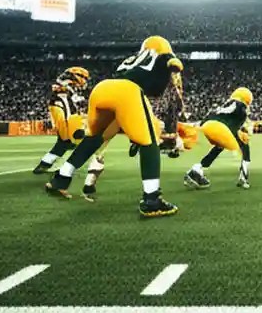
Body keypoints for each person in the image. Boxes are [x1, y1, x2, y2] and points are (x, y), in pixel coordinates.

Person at [44, 36, 183, 217]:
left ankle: (60, 179)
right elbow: (175, 64)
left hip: (103, 90)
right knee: (150, 142)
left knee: (94, 138)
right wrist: (174, 67)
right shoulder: (163, 55)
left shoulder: (133, 59)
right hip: (127, 92)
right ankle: (152, 199)